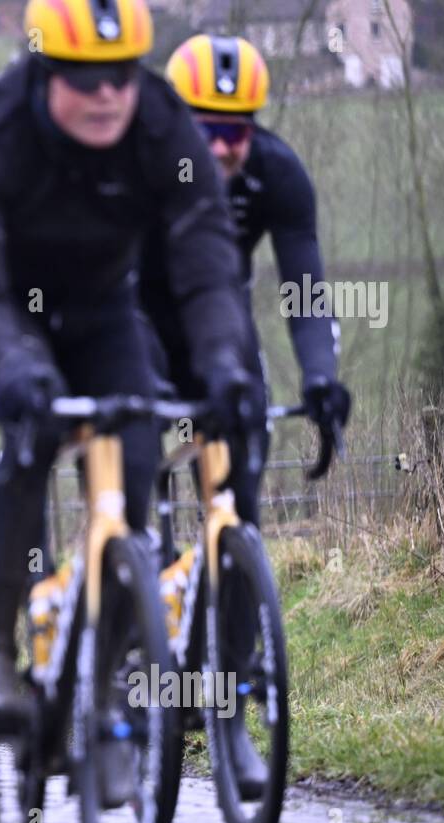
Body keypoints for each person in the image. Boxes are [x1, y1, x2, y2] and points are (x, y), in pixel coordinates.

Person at [0, 0, 257, 748]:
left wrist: (221, 360)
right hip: (4, 311)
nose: (108, 94)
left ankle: (105, 674)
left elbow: (206, 260)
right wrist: (16, 370)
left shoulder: (159, 122)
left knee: (138, 456)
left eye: (121, 74)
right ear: (44, 71)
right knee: (32, 436)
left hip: (104, 308)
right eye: (85, 78)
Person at [141, 34, 351, 526]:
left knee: (247, 437)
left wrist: (320, 374)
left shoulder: (277, 173)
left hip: (219, 316)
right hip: (139, 316)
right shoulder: (142, 164)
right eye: (205, 129)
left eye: (235, 133)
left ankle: (233, 563)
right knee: (131, 456)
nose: (219, 147)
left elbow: (305, 292)